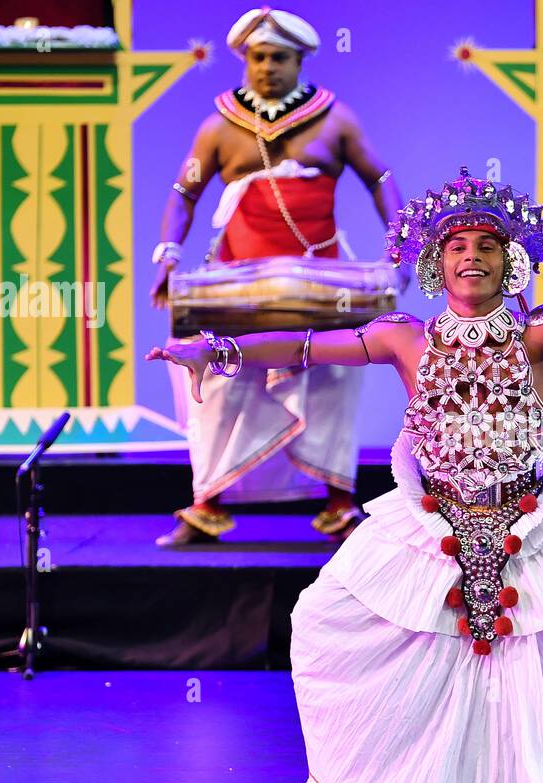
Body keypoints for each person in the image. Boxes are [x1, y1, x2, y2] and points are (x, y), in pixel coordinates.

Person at [147, 168, 543, 783]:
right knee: (320, 617)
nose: (471, 257)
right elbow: (309, 348)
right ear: (435, 261)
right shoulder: (407, 336)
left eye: (487, 246)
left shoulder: (539, 331)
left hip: (533, 523)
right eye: (457, 246)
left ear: (511, 261)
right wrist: (220, 350)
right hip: (428, 522)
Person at [149, 8, 405, 546]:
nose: (267, 67)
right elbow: (183, 192)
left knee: (332, 380)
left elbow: (380, 178)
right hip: (236, 281)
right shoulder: (219, 126)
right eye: (258, 57)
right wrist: (169, 255)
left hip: (321, 281)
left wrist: (400, 250)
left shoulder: (335, 120)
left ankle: (338, 506)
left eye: (279, 58)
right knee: (219, 381)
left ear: (300, 60)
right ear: (245, 60)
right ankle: (206, 506)